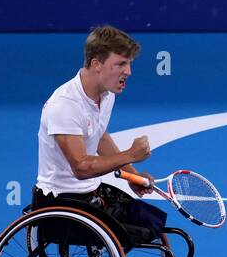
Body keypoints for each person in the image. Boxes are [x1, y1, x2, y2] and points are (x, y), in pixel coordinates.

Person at [34, 25, 167, 242]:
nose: (129, 72)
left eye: (129, 63)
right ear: (96, 64)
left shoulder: (105, 94)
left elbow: (99, 136)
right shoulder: (65, 105)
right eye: (121, 64)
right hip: (61, 201)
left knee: (152, 223)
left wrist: (132, 174)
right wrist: (130, 154)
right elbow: (81, 167)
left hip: (91, 193)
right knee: (129, 234)